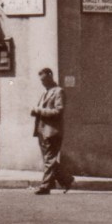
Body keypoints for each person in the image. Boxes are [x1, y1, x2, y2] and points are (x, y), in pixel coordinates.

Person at [30, 67, 74, 195]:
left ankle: (45, 186)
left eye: (44, 80)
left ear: (50, 77)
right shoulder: (46, 92)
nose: (42, 83)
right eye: (41, 81)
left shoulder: (58, 91)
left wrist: (38, 110)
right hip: (42, 131)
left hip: (53, 131)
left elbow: (58, 111)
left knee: (49, 159)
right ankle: (66, 179)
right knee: (49, 160)